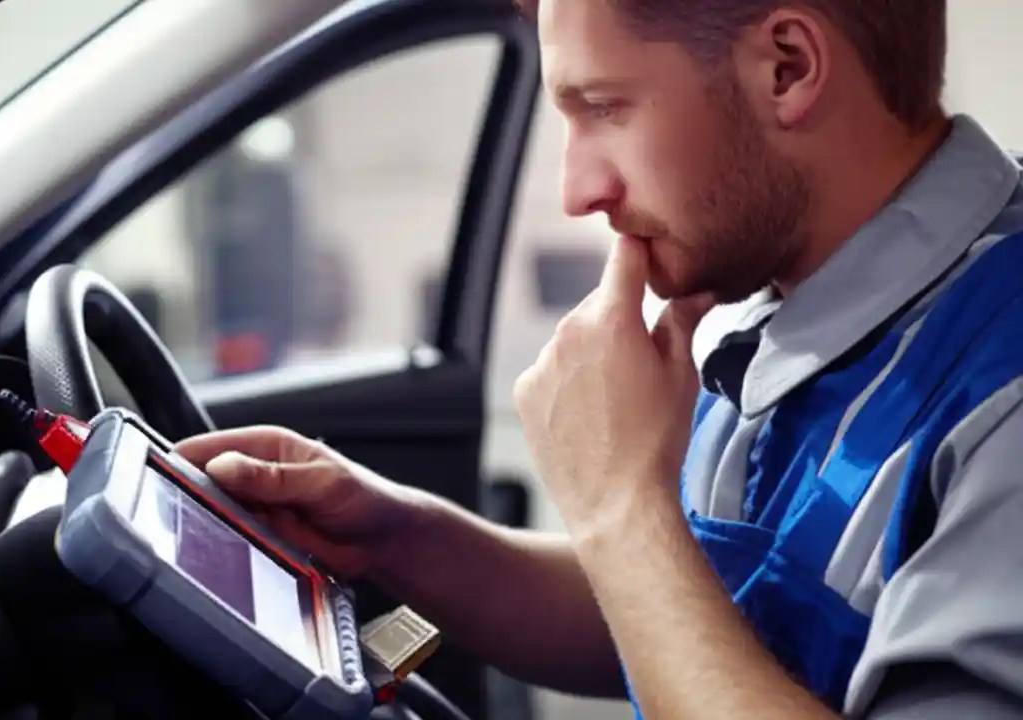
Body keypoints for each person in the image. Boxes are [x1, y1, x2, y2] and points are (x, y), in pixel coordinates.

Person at [177, 0, 1023, 716]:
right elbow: (686, 615)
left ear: (788, 68)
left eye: (606, 108)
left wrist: (620, 501)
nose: (579, 190)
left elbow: (661, 585)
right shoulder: (780, 295)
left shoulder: (1004, 400)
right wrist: (400, 539)